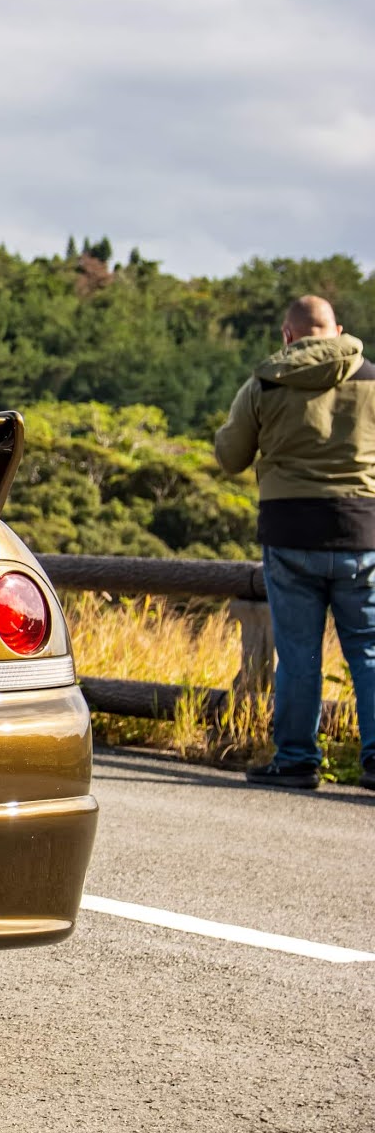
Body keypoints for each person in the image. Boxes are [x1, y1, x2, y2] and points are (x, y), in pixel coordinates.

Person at [214, 294, 375, 791]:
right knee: (368, 649)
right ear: (338, 330)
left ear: (288, 335)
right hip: (361, 528)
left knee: (300, 653)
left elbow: (230, 456)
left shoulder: (266, 381)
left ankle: (298, 760)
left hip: (290, 530)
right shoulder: (370, 379)